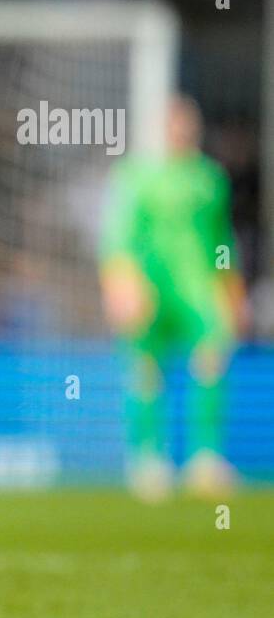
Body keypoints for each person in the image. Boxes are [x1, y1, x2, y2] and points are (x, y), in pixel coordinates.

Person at [100, 94, 246, 502]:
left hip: (198, 287)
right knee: (145, 370)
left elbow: (222, 241)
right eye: (171, 123)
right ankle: (147, 460)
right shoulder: (135, 176)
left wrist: (232, 288)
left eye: (185, 122)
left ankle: (204, 459)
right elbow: (117, 236)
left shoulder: (209, 179)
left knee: (212, 360)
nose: (179, 130)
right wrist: (119, 283)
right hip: (148, 287)